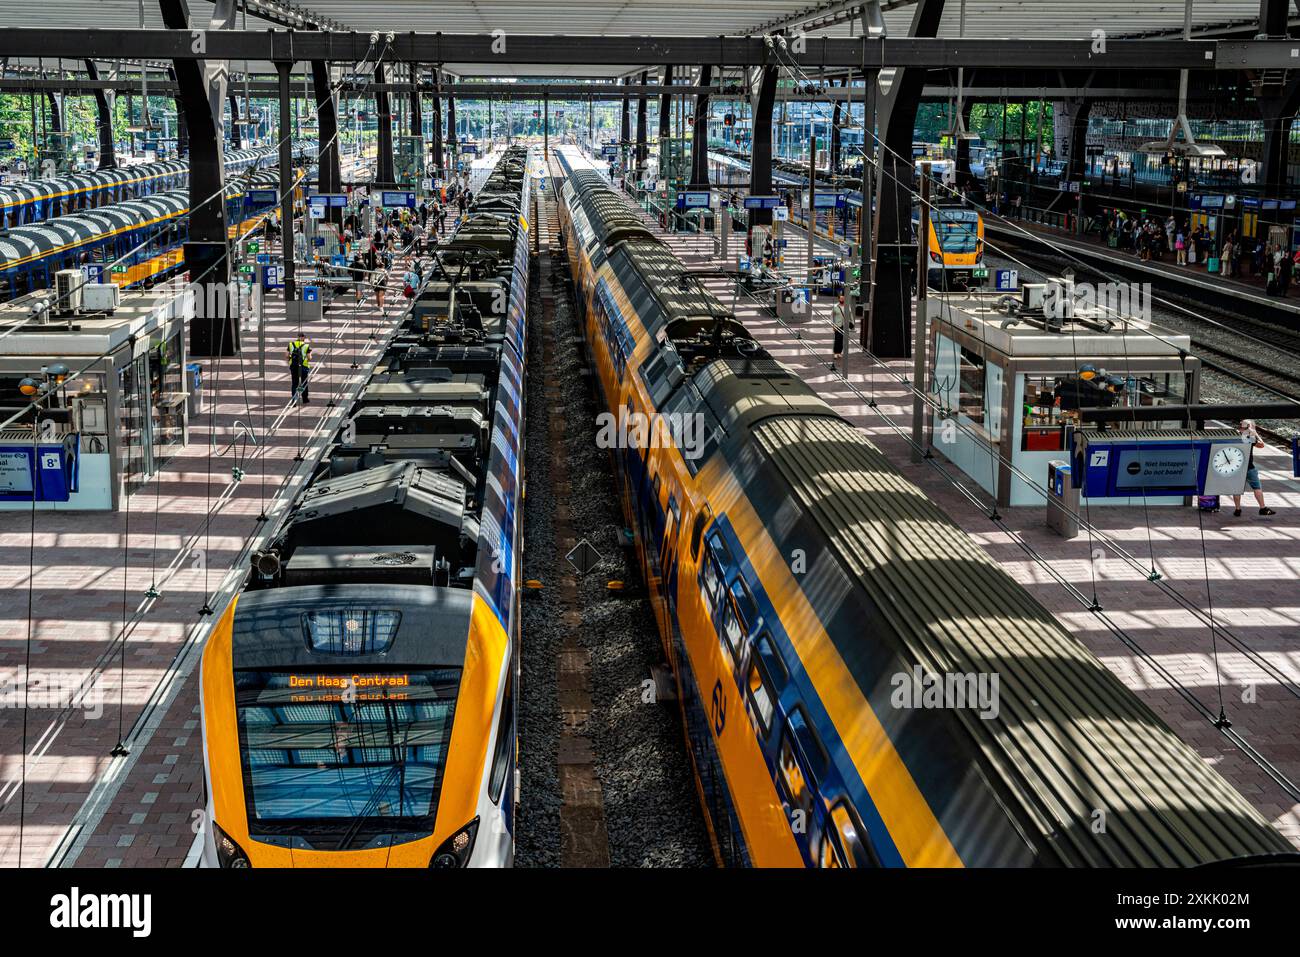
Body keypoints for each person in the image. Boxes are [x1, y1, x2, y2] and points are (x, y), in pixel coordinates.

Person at [1232, 420, 1276, 517]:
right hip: (1249, 467)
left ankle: (1237, 509)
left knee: (1236, 489)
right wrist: (1256, 434)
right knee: (1257, 487)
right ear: (1248, 427)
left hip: (1237, 467)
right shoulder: (1249, 438)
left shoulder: (1235, 436)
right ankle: (1262, 508)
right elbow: (1261, 445)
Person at [286, 332, 312, 404]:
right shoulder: (306, 346)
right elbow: (309, 358)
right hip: (303, 367)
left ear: (298, 337)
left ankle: (294, 400)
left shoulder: (291, 344)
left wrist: (290, 360)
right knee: (304, 382)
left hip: (293, 366)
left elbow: (286, 355)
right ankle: (305, 399)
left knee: (294, 383)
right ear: (303, 337)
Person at [830, 295, 853, 366]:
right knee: (837, 339)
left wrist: (852, 323)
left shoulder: (847, 306)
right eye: (841, 298)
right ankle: (835, 353)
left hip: (845, 325)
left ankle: (839, 352)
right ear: (839, 299)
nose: (842, 299)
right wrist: (833, 325)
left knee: (843, 339)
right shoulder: (835, 306)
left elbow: (850, 315)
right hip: (837, 325)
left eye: (843, 298)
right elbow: (832, 316)